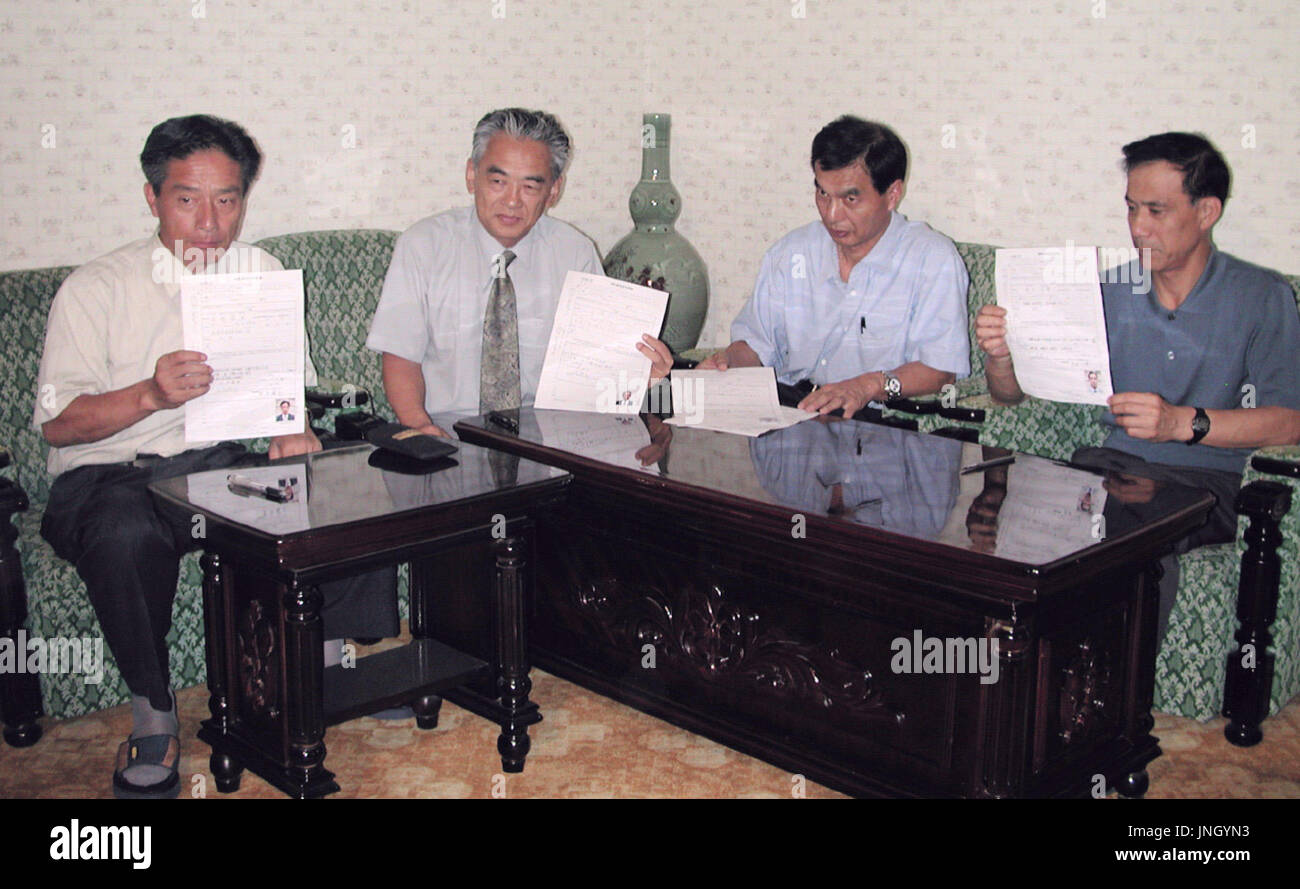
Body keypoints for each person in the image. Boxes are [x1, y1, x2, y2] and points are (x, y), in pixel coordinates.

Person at [32, 114, 397, 799]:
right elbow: (58, 426)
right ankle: (152, 711)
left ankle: (329, 659)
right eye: (187, 199)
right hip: (111, 475)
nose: (210, 222)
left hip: (216, 466)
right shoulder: (96, 288)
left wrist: (289, 429)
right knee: (124, 529)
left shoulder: (256, 271)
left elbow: (286, 388)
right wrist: (146, 393)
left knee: (347, 477)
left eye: (227, 199)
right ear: (152, 198)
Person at [975, 131, 1300, 641]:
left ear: (1207, 211)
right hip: (1110, 468)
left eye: (1156, 211)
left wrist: (1181, 423)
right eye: (1131, 210)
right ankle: (1008, 682)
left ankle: (1113, 704)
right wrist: (1000, 356)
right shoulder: (1110, 290)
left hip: (1205, 482)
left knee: (1131, 539)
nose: (1138, 229)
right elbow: (1009, 396)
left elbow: (1288, 420)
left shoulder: (1260, 296)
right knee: (1011, 508)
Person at [367, 108, 672, 436]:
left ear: (553, 191)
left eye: (529, 187)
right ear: (472, 176)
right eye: (498, 181)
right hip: (447, 434)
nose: (512, 201)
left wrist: (642, 376)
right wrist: (419, 426)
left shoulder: (575, 253)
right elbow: (401, 356)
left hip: (549, 439)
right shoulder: (423, 246)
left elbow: (593, 369)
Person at [698, 115, 970, 418]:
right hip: (789, 411)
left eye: (850, 198)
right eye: (823, 193)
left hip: (877, 423)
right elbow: (755, 345)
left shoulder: (932, 261)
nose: (832, 215)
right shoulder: (792, 253)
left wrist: (867, 386)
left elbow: (941, 370)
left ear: (892, 194)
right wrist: (727, 363)